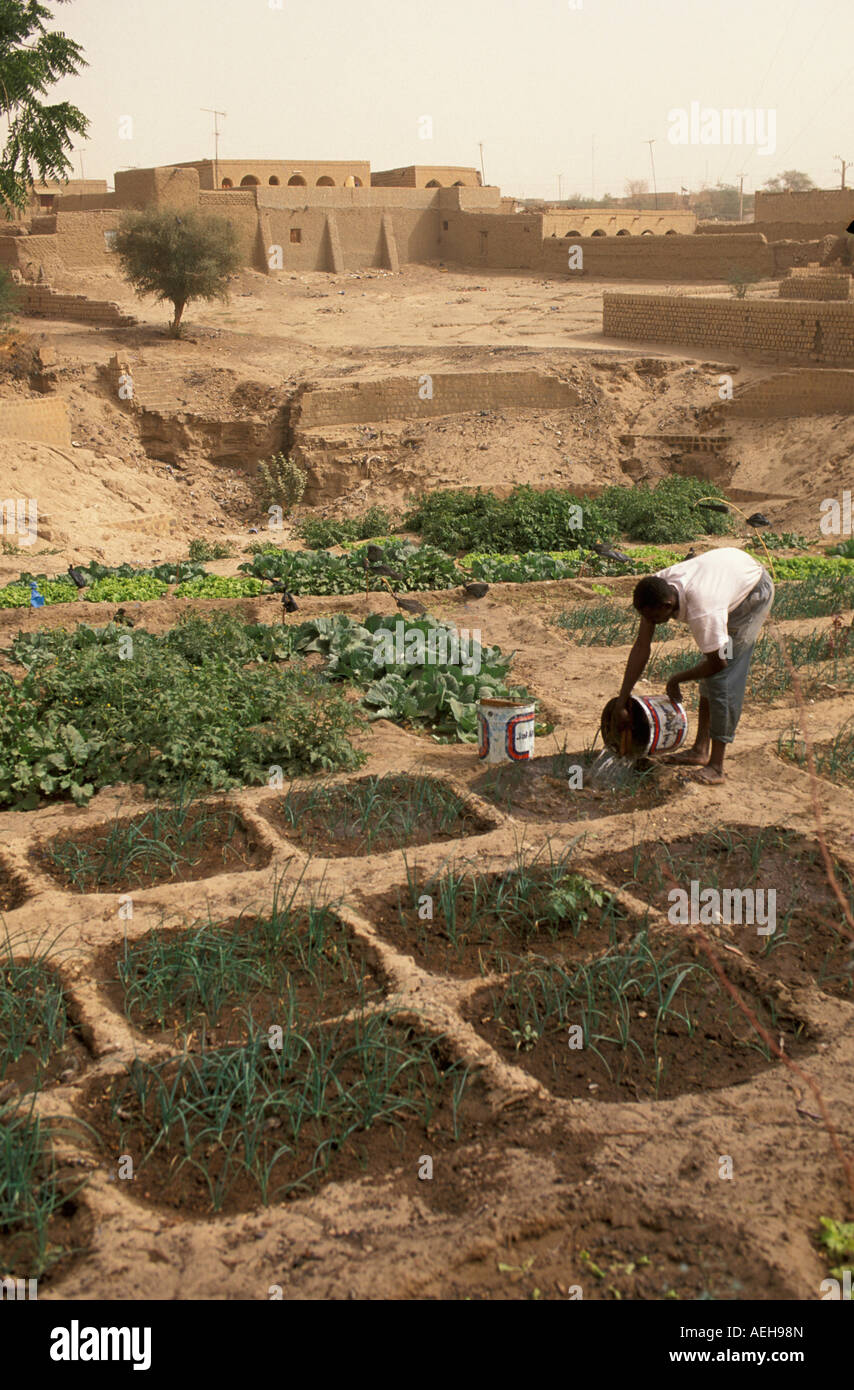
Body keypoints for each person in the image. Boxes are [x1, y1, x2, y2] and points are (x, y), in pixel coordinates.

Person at [613, 548, 775, 784]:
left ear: (668, 605)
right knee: (710, 674)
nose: (650, 621)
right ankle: (700, 750)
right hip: (729, 572)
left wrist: (675, 679)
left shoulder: (703, 609)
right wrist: (622, 700)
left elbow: (718, 664)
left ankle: (717, 767)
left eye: (653, 617)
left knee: (723, 680)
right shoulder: (657, 588)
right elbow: (641, 647)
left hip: (752, 593)